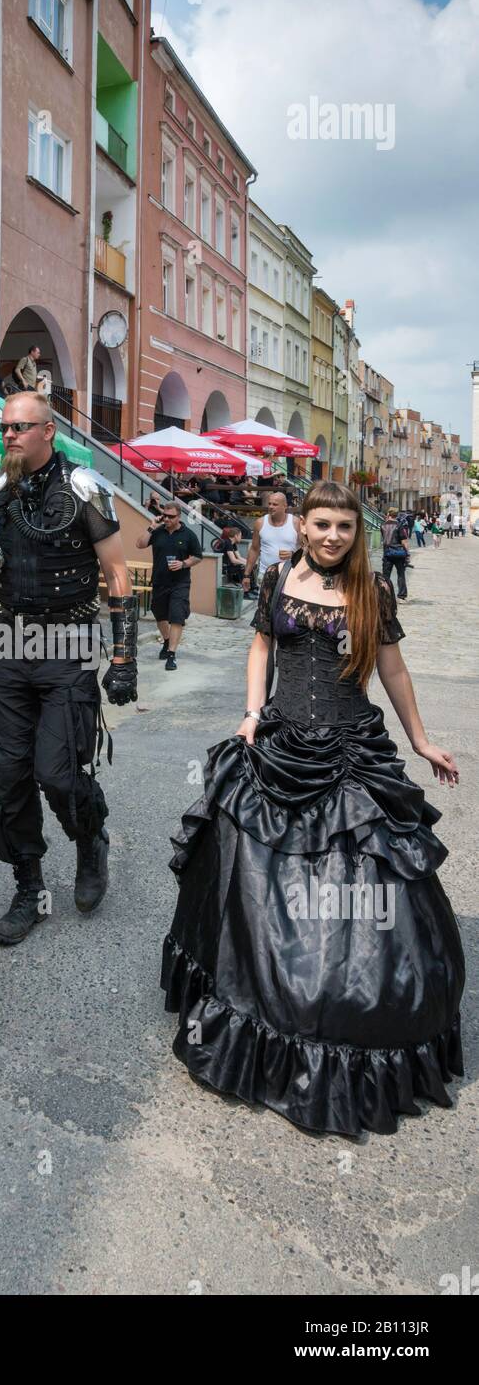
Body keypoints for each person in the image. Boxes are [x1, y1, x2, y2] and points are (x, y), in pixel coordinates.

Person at [161, 480, 464, 1137]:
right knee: (253, 881)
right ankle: (261, 999)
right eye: (321, 524)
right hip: (279, 739)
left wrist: (419, 740)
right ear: (302, 526)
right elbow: (262, 647)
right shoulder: (274, 580)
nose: (330, 536)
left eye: (343, 528)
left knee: (355, 881)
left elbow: (393, 670)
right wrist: (249, 715)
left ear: (357, 534)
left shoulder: (371, 592)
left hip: (350, 751)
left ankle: (339, 1013)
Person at [0, 390, 136, 946]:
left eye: (21, 427)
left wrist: (123, 656)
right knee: (12, 776)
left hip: (68, 642)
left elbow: (117, 573)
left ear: (48, 431)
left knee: (58, 772)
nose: (10, 436)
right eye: (4, 428)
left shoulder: (86, 486)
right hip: (10, 643)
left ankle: (90, 840)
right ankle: (30, 889)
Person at [136, 502, 203, 670]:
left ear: (179, 517)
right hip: (159, 581)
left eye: (171, 516)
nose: (167, 519)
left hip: (180, 582)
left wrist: (183, 564)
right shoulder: (157, 532)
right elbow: (140, 544)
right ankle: (166, 640)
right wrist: (151, 527)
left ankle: (171, 655)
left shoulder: (188, 535)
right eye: (165, 515)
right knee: (159, 615)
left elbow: (197, 556)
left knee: (177, 616)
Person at [241, 491, 300, 596]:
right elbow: (254, 549)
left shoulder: (296, 523)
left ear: (285, 506)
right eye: (269, 504)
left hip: (289, 575)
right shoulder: (260, 523)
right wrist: (246, 575)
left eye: (275, 504)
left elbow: (306, 548)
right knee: (264, 610)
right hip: (265, 575)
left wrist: (294, 554)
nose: (271, 507)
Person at [381, 506, 410, 601]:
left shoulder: (383, 525)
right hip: (399, 553)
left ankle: (384, 595)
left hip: (387, 553)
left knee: (385, 576)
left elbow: (385, 539)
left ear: (388, 514)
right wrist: (407, 554)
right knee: (401, 574)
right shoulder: (399, 525)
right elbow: (404, 541)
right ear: (396, 515)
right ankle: (401, 595)